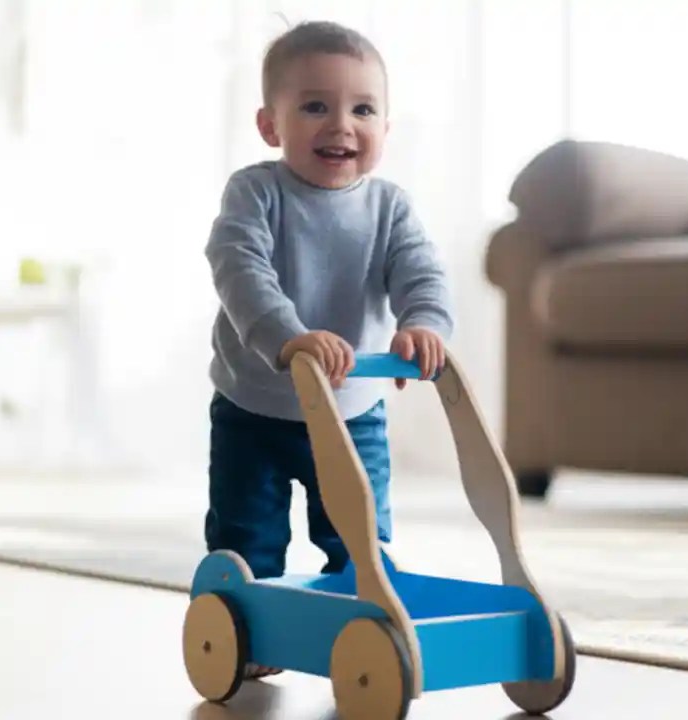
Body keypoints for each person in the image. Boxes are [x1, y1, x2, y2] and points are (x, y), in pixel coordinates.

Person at [202, 19, 453, 677]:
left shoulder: (390, 209)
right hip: (254, 406)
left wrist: (423, 323)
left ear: (386, 130)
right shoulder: (255, 194)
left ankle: (367, 621)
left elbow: (421, 271)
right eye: (315, 106)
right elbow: (240, 272)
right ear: (269, 125)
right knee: (248, 533)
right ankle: (247, 628)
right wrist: (290, 338)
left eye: (362, 109)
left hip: (350, 411)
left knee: (360, 537)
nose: (341, 124)